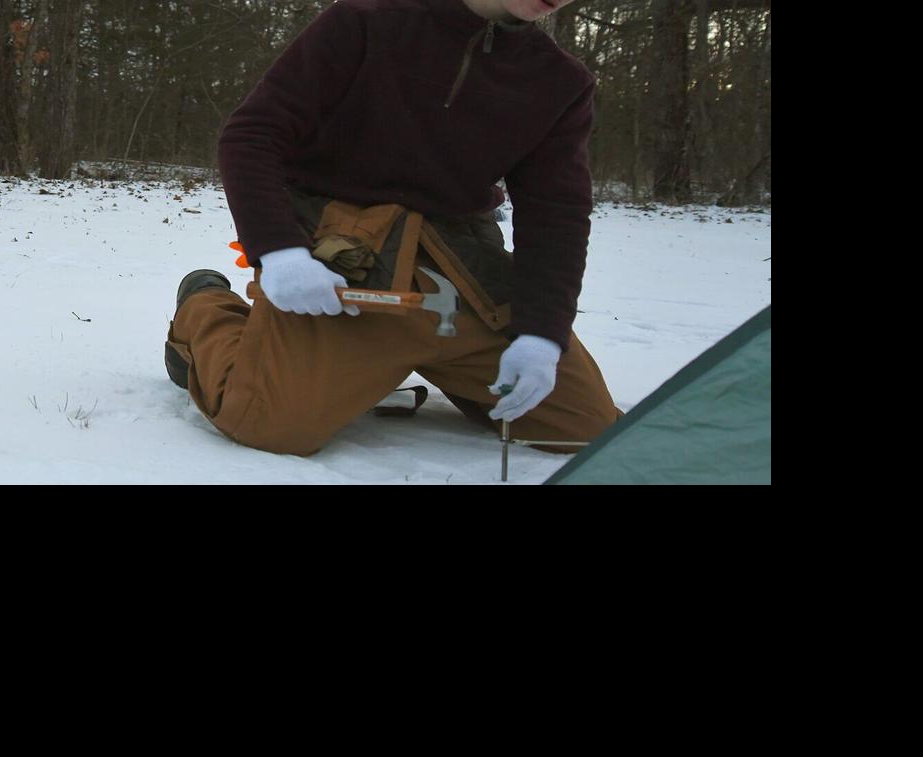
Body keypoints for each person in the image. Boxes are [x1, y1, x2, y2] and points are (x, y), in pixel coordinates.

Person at [164, 0, 620, 456]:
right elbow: (253, 133)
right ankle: (204, 307)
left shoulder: (560, 81)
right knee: (264, 422)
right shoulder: (368, 19)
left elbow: (557, 213)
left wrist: (542, 335)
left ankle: (425, 363)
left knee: (586, 429)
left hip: (462, 267)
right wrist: (280, 252)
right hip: (346, 255)